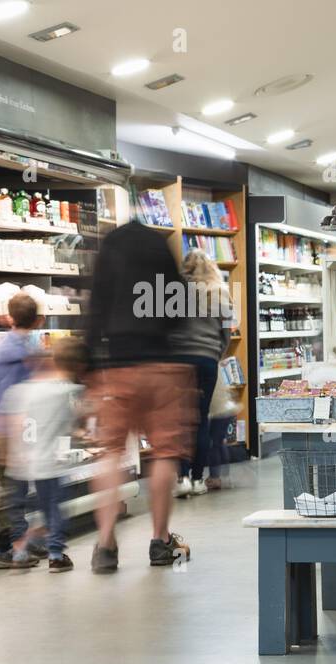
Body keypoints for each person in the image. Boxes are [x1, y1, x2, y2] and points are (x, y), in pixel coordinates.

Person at [85, 217, 197, 573]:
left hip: (117, 365)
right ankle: (160, 541)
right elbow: (180, 307)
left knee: (110, 454)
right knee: (165, 453)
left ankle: (105, 544)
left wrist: (88, 364)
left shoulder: (111, 246)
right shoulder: (159, 247)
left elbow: (96, 307)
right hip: (163, 364)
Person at [0, 337, 88, 572]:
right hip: (50, 463)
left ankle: (19, 552)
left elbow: (14, 423)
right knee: (54, 510)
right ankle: (56, 554)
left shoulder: (20, 391)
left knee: (23, 508)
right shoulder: (67, 390)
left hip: (25, 461)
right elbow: (77, 420)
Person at [0, 293, 43, 568]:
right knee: (15, 493)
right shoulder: (28, 351)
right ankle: (13, 550)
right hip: (12, 431)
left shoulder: (3, 348)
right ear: (39, 319)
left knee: (14, 490)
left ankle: (11, 544)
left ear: (9, 318)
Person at [173, 250, 232, 497]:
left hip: (181, 361)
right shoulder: (221, 291)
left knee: (181, 420)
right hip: (207, 359)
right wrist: (216, 354)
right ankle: (198, 479)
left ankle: (182, 477)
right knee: (201, 419)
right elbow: (227, 331)